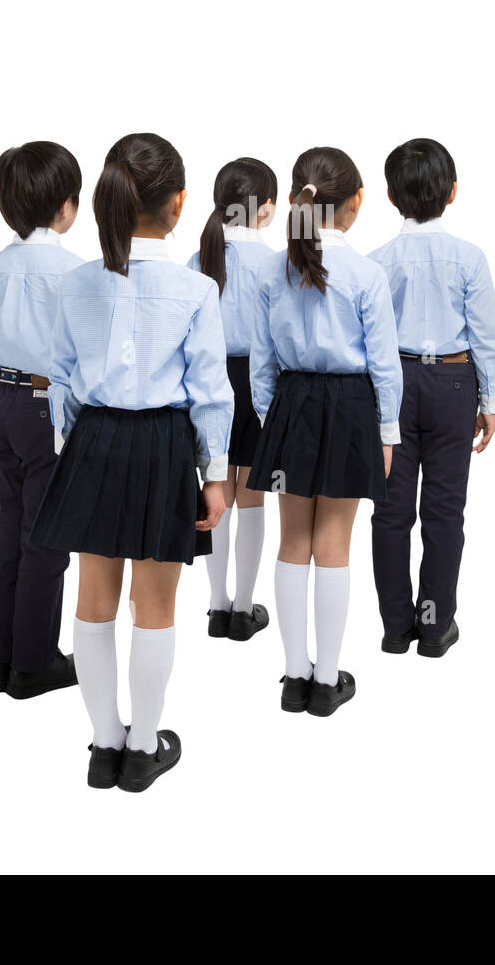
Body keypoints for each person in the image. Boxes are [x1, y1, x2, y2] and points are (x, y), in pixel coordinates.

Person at [31, 133, 233, 792]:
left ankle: (103, 744)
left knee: (92, 599)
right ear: (178, 204)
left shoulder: (76, 282)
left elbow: (58, 380)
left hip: (92, 441)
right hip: (162, 446)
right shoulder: (196, 289)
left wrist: (75, 448)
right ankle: (143, 749)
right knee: (154, 604)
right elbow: (210, 392)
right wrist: (217, 475)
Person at [249, 147, 402, 717]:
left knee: (293, 539)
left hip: (291, 402)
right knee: (334, 542)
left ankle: (293, 676)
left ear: (297, 199)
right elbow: (384, 364)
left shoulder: (272, 268)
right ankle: (328, 679)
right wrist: (387, 433)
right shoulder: (366, 273)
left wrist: (273, 419)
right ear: (356, 202)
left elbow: (260, 361)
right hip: (350, 406)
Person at [369, 138, 495, 657]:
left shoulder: (376, 261)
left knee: (390, 512)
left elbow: (370, 339)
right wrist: (489, 402)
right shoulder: (469, 258)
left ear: (388, 194)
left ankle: (396, 627)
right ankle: (435, 626)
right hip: (453, 383)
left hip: (394, 383)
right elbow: (486, 334)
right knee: (445, 512)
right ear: (452, 193)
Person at [0, 140, 82, 698]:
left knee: (8, 529)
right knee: (46, 537)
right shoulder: (75, 271)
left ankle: (2, 658)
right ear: (65, 206)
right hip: (49, 409)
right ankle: (35, 663)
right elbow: (83, 354)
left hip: (7, 404)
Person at [188, 157, 277, 641]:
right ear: (265, 208)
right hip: (260, 381)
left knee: (215, 491)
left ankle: (217, 605)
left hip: (208, 382)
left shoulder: (198, 258)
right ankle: (244, 608)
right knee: (254, 497)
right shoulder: (274, 262)